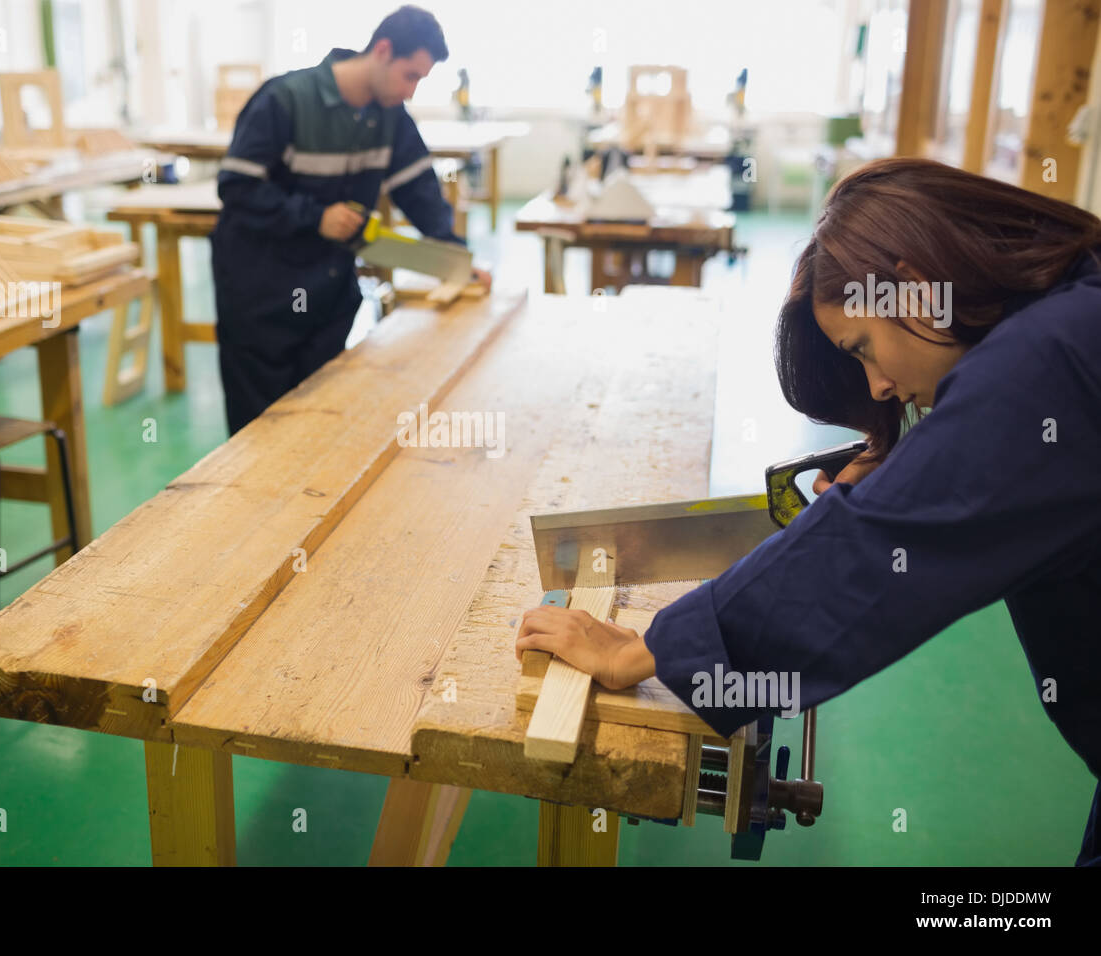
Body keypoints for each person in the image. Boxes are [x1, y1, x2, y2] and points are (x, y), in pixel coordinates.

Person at [516, 157, 1101, 866]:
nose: (880, 386)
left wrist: (645, 651)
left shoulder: (1047, 361)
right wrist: (912, 464)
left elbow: (873, 554)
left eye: (862, 350)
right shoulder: (1075, 309)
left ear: (915, 290)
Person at [210, 5, 488, 436]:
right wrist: (314, 217)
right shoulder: (285, 100)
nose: (412, 91)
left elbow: (419, 191)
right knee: (259, 437)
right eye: (410, 76)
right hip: (260, 296)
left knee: (318, 426)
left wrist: (453, 257)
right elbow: (237, 188)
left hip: (326, 296)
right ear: (382, 51)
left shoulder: (389, 117)